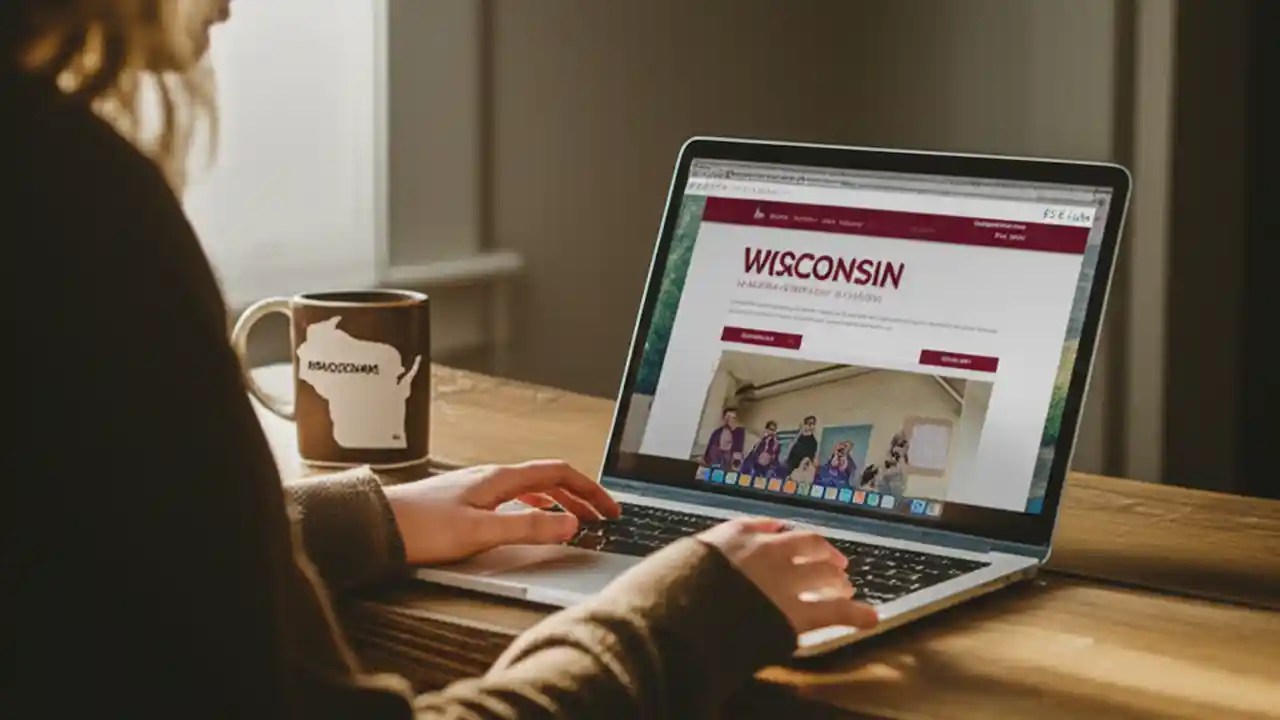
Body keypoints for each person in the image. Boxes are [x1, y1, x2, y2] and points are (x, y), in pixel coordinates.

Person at [6, 2, 878, 717]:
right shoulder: (74, 210)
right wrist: (679, 618)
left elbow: (80, 569)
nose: (232, 7)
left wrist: (367, 520)